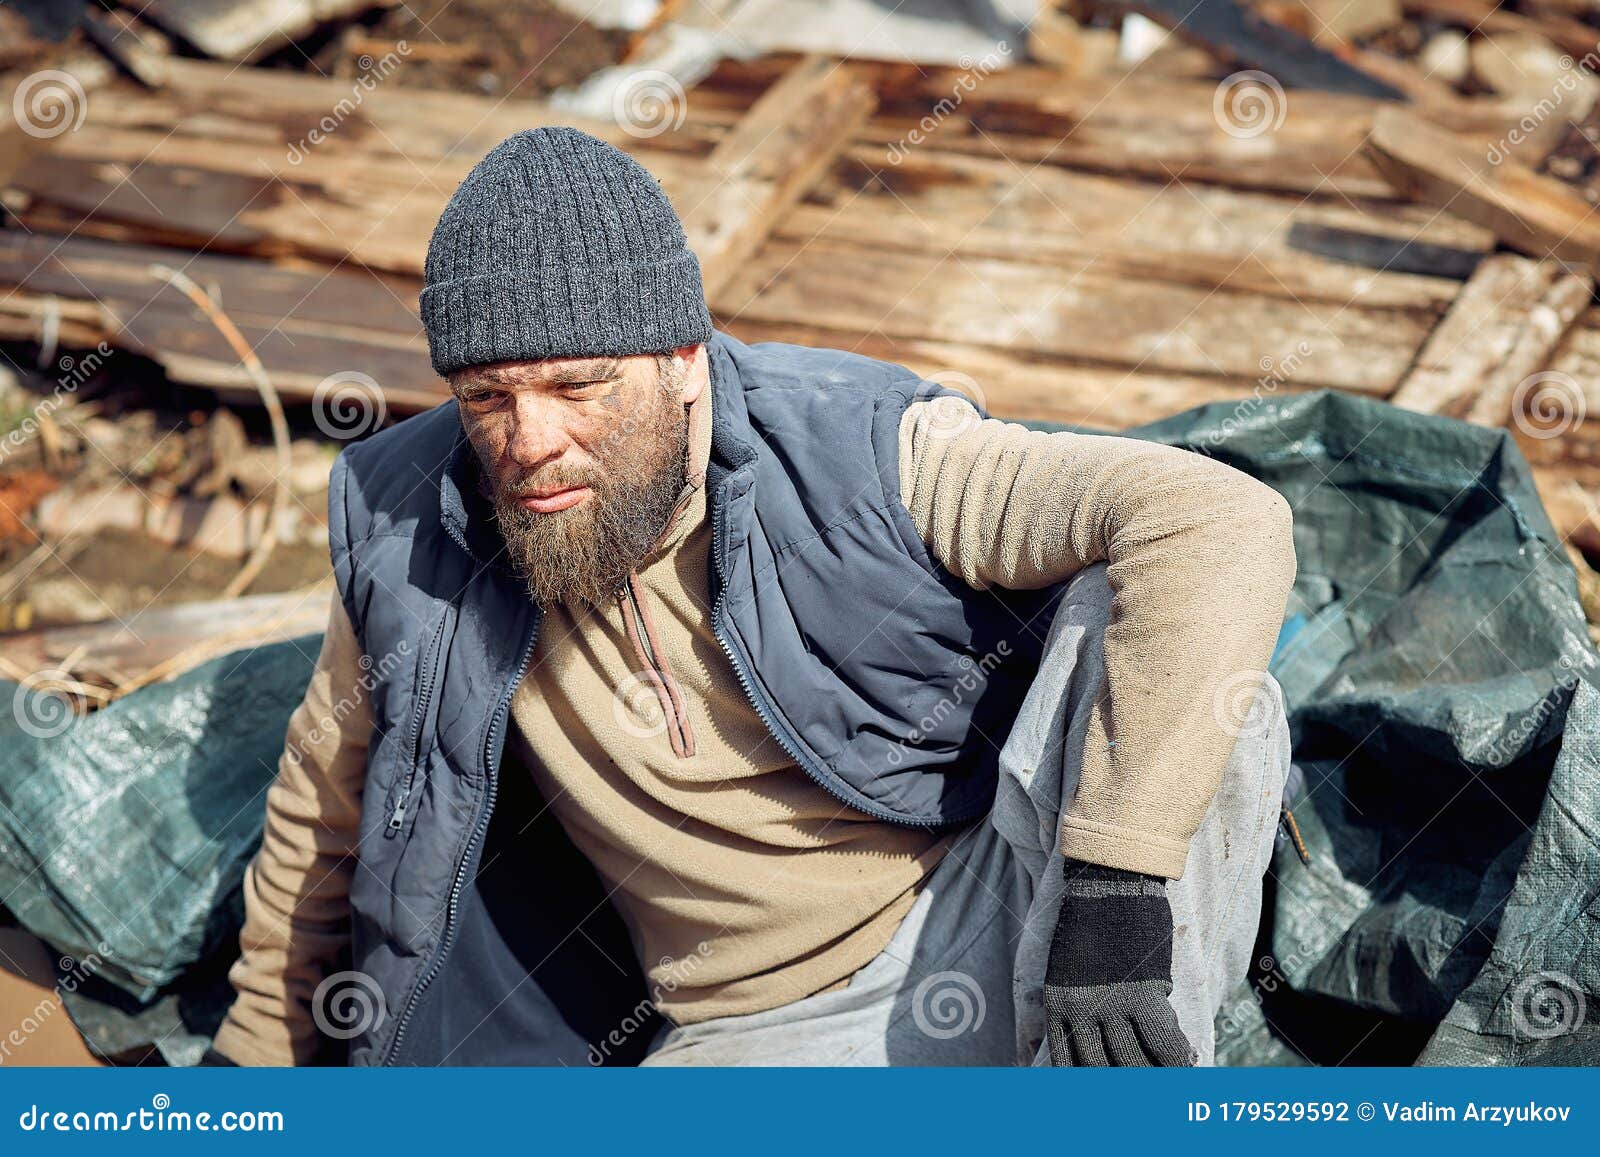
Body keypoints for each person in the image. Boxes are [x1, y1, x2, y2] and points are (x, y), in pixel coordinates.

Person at [204, 127, 1296, 1068]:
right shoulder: (407, 525)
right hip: (759, 1030)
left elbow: (1217, 519)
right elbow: (320, 815)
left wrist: (1109, 896)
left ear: (684, 357)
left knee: (1174, 653)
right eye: (487, 397)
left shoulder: (856, 447)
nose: (530, 442)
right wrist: (252, 1082)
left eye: (579, 386)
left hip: (1003, 907)